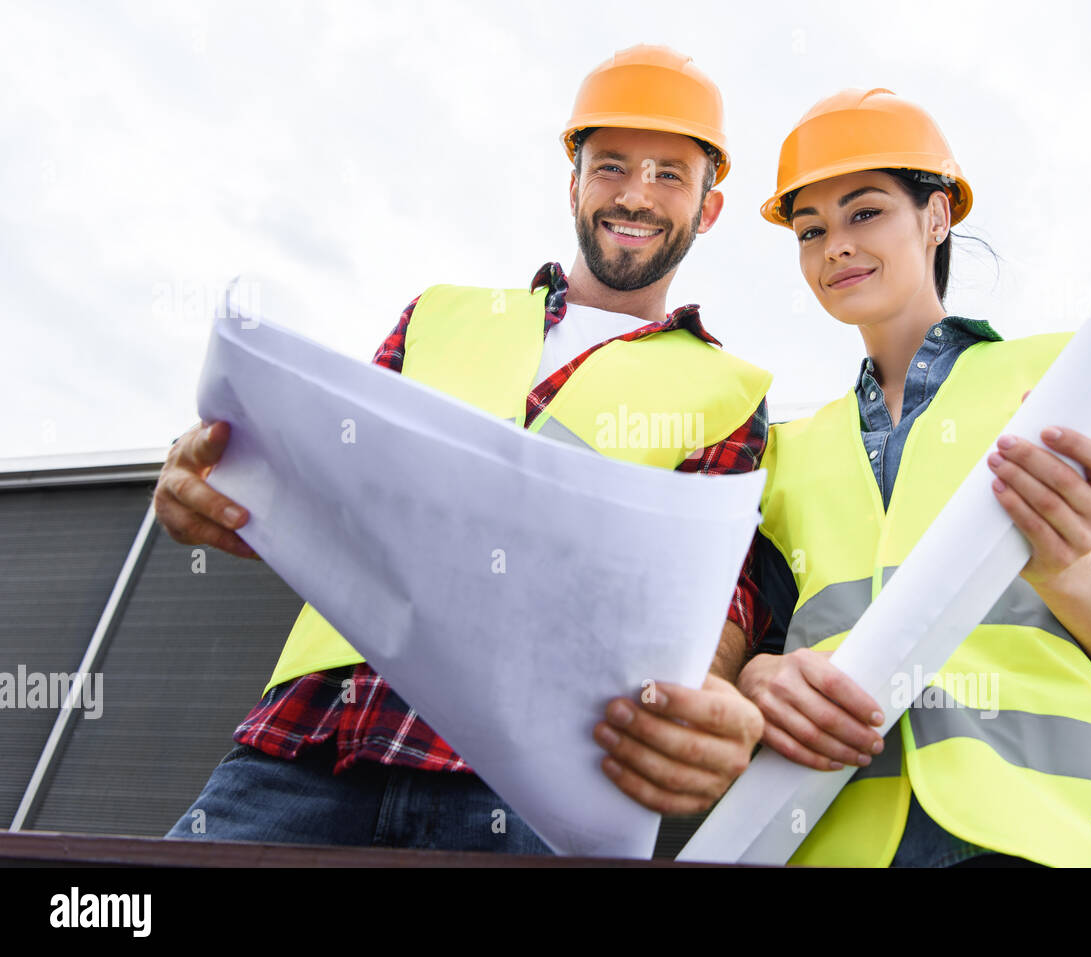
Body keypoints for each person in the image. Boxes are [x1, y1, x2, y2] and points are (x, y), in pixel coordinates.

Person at [155, 45, 769, 853]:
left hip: (528, 784)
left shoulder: (730, 392)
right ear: (575, 182)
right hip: (310, 744)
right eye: (611, 166)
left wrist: (704, 699)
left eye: (668, 175)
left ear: (708, 208)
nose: (635, 195)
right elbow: (319, 472)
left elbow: (718, 596)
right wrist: (212, 470)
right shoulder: (439, 315)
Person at [737, 89, 1091, 867]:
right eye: (810, 231)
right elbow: (768, 646)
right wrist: (758, 678)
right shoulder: (784, 452)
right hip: (836, 840)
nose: (835, 246)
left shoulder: (1056, 381)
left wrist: (1068, 570)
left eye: (865, 212)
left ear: (938, 215)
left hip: (1048, 838)